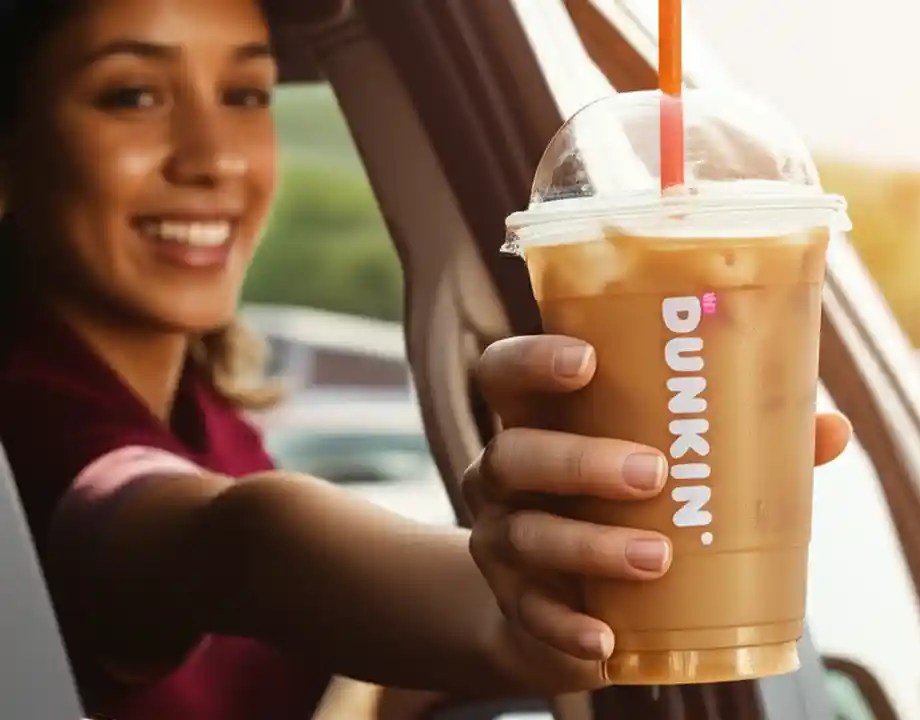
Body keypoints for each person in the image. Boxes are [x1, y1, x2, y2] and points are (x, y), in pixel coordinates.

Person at [0, 1, 852, 718]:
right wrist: (510, 606)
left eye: (245, 93)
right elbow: (240, 545)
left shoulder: (201, 412)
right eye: (134, 94)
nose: (215, 156)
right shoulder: (36, 431)